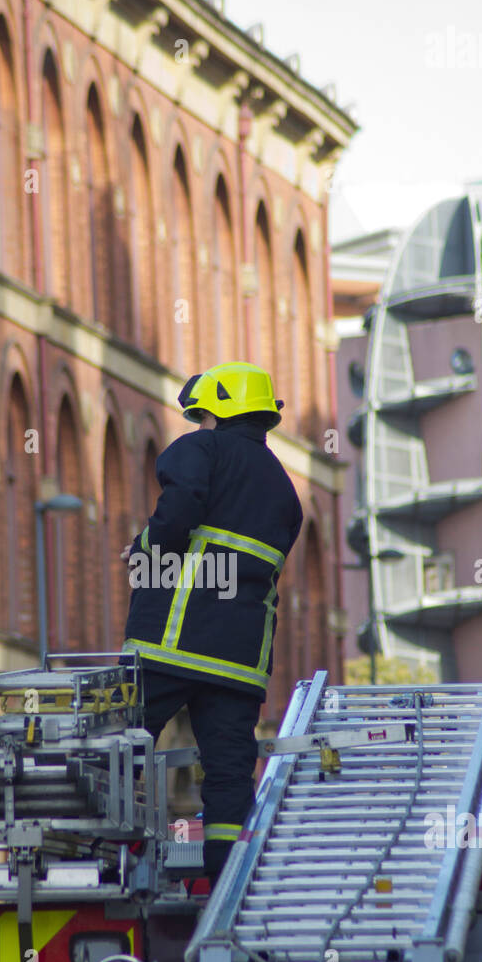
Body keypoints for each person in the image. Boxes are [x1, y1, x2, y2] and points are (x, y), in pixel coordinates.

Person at [120, 361, 303, 888]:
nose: (198, 424)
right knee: (227, 773)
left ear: (220, 412)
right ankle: (225, 883)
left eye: (202, 415)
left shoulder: (200, 450)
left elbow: (177, 512)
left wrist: (144, 548)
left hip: (171, 645)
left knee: (117, 745)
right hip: (239, 664)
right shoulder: (283, 489)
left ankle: (109, 852)